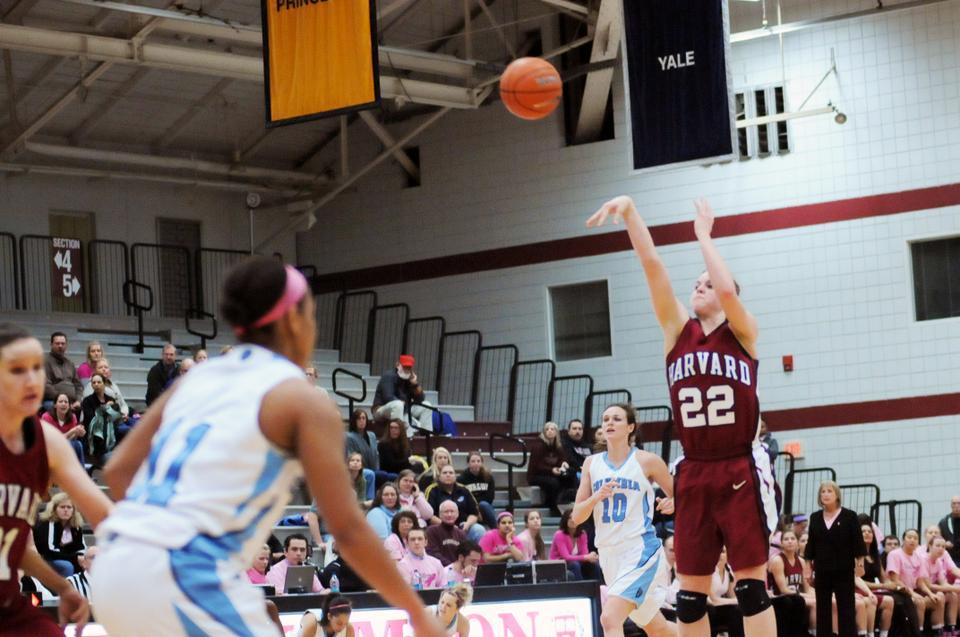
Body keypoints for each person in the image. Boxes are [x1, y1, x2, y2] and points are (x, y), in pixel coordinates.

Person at [90, 259, 443, 637]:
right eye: (311, 313)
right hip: (183, 573)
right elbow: (348, 529)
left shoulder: (198, 378)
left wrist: (146, 544)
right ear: (293, 318)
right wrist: (417, 611)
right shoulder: (301, 400)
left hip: (115, 565)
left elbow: (119, 470)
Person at [587, 196, 777, 637]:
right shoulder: (677, 331)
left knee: (751, 588)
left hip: (740, 466)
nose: (700, 287)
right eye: (697, 283)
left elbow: (728, 291)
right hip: (694, 467)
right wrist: (633, 214)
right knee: (689, 597)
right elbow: (654, 269)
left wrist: (704, 236)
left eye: (707, 284)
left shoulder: (744, 333)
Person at [0, 323, 114, 635]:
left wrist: (62, 588)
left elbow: (103, 513)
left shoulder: (47, 441)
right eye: (17, 369)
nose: (31, 379)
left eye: (37, 368)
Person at [571, 402, 676, 637]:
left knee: (610, 618)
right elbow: (577, 516)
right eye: (606, 418)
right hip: (609, 555)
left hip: (640, 549)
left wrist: (674, 502)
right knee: (657, 628)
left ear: (631, 427)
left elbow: (682, 496)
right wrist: (596, 496)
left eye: (616, 419)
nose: (609, 422)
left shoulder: (647, 461)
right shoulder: (591, 464)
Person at [803, 480, 865, 637]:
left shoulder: (849, 516)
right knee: (822, 609)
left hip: (843, 570)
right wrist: (808, 567)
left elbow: (858, 541)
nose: (825, 494)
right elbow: (811, 544)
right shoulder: (815, 517)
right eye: (823, 492)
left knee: (846, 608)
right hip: (822, 570)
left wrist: (860, 563)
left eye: (829, 491)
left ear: (837, 495)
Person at [887, 529, 945, 635]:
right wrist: (912, 594)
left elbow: (920, 581)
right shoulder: (894, 554)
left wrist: (930, 594)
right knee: (920, 602)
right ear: (903, 539)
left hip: (913, 590)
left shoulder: (918, 557)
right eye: (909, 537)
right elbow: (895, 579)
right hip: (899, 591)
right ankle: (918, 632)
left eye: (915, 538)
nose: (912, 540)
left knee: (938, 598)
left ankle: (939, 632)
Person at [372, 354, 433, 438]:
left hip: (404, 408)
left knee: (427, 405)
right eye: (405, 367)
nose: (406, 370)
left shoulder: (409, 379)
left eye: (409, 367)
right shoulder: (389, 376)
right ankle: (399, 438)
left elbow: (420, 399)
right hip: (381, 409)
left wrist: (415, 384)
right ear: (398, 365)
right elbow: (388, 397)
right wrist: (403, 405)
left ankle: (425, 436)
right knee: (398, 404)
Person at [527, 421, 577, 516]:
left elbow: (563, 458)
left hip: (553, 473)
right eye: (547, 429)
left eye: (552, 429)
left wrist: (564, 463)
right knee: (553, 482)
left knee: (571, 474)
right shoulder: (539, 446)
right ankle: (552, 506)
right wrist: (552, 470)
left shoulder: (558, 445)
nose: (549, 431)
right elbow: (538, 466)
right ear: (544, 432)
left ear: (556, 432)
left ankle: (568, 499)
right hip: (536, 475)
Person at [424, 465, 486, 542]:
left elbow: (474, 513)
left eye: (451, 473)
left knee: (479, 529)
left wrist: (467, 524)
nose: (448, 475)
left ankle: (482, 553)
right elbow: (429, 515)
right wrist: (449, 526)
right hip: (440, 527)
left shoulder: (464, 489)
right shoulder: (432, 490)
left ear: (455, 476)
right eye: (445, 473)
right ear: (439, 476)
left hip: (463, 527)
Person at [33, 491, 86, 576]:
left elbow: (81, 547)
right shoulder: (47, 523)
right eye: (62, 507)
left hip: (66, 558)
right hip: (45, 559)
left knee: (89, 563)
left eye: (69, 507)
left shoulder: (75, 526)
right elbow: (50, 551)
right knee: (67, 566)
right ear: (54, 509)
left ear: (73, 510)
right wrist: (75, 558)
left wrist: (82, 558)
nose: (66, 510)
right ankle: (64, 589)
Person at [858, 524, 896, 637]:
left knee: (893, 599)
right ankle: (870, 634)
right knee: (872, 600)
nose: (867, 533)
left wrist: (895, 586)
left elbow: (884, 579)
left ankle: (884, 634)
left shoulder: (875, 556)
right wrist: (884, 586)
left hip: (872, 590)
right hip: (859, 588)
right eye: (863, 531)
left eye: (869, 531)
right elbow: (857, 579)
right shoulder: (854, 554)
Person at [550, 509, 599, 580]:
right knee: (575, 565)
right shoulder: (559, 535)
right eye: (569, 518)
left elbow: (584, 554)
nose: (572, 520)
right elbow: (566, 557)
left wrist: (591, 557)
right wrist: (587, 557)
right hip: (559, 564)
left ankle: (597, 587)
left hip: (575, 562)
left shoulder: (582, 534)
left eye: (575, 517)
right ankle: (581, 588)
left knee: (593, 564)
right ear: (565, 520)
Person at [346, 408, 389, 485]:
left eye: (363, 418)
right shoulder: (349, 437)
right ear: (354, 421)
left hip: (374, 469)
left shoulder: (372, 435)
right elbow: (351, 456)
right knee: (383, 475)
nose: (362, 421)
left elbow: (376, 455)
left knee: (392, 476)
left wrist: (377, 468)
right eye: (359, 418)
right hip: (359, 471)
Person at [707, 548, 744, 637]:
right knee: (737, 609)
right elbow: (713, 600)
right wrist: (737, 600)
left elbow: (732, 596)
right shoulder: (708, 570)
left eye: (723, 552)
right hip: (707, 607)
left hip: (720, 608)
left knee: (740, 609)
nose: (719, 555)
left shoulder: (728, 570)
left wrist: (739, 601)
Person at [41, 391, 86, 464]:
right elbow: (54, 441)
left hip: (66, 446)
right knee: (68, 444)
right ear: (55, 405)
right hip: (49, 448)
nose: (63, 404)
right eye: (60, 401)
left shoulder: (73, 417)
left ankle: (82, 471)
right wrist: (72, 431)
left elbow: (71, 439)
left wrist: (78, 433)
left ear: (69, 406)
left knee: (78, 444)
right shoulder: (46, 417)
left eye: (66, 402)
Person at [44, 331, 83, 409]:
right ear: (51, 345)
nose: (60, 346)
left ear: (66, 345)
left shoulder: (70, 364)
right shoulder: (44, 362)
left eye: (63, 343)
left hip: (71, 402)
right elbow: (45, 386)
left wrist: (78, 401)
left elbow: (78, 385)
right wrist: (63, 400)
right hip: (52, 401)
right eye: (57, 343)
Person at [458, 451, 497, 528]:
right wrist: (475, 510)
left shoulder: (488, 477)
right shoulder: (461, 479)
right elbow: (463, 498)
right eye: (473, 461)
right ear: (468, 463)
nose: (476, 463)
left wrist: (479, 509)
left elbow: (490, 498)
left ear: (482, 463)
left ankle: (496, 530)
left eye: (478, 461)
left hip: (484, 509)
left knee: (484, 504)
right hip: (469, 510)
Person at [426, 500, 469, 565]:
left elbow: (466, 554)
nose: (449, 514)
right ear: (440, 515)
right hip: (439, 569)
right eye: (446, 512)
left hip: (458, 570)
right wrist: (452, 566)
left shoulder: (461, 534)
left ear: (457, 514)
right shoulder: (432, 531)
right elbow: (432, 553)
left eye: (452, 511)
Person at [940, 496, 960, 564]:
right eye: (954, 503)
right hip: (951, 558)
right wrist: (944, 543)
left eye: (959, 503)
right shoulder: (944, 522)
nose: (956, 505)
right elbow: (937, 538)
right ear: (951, 505)